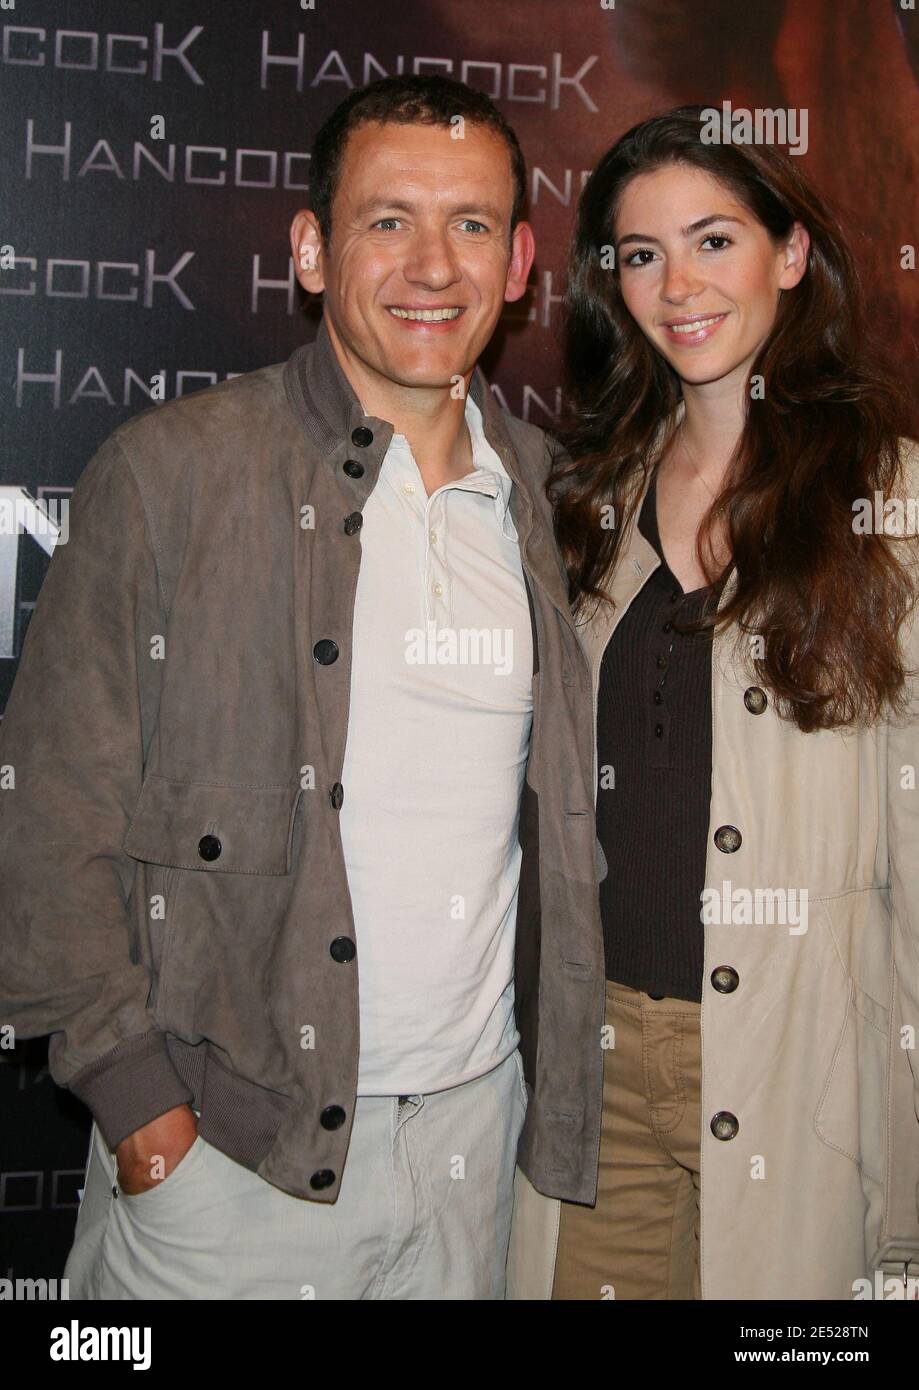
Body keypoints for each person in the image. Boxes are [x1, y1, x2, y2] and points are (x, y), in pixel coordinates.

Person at [0, 74, 599, 1300]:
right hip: (230, 1164)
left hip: (478, 1149)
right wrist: (143, 1115)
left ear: (523, 258)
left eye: (472, 224)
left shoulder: (549, 498)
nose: (433, 265)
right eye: (389, 220)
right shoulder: (174, 475)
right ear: (314, 251)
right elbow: (46, 813)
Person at [506, 105, 919, 1300]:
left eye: (713, 241)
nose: (676, 284)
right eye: (640, 254)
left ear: (790, 257)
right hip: (597, 1073)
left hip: (805, 1075)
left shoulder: (892, 506)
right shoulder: (585, 497)